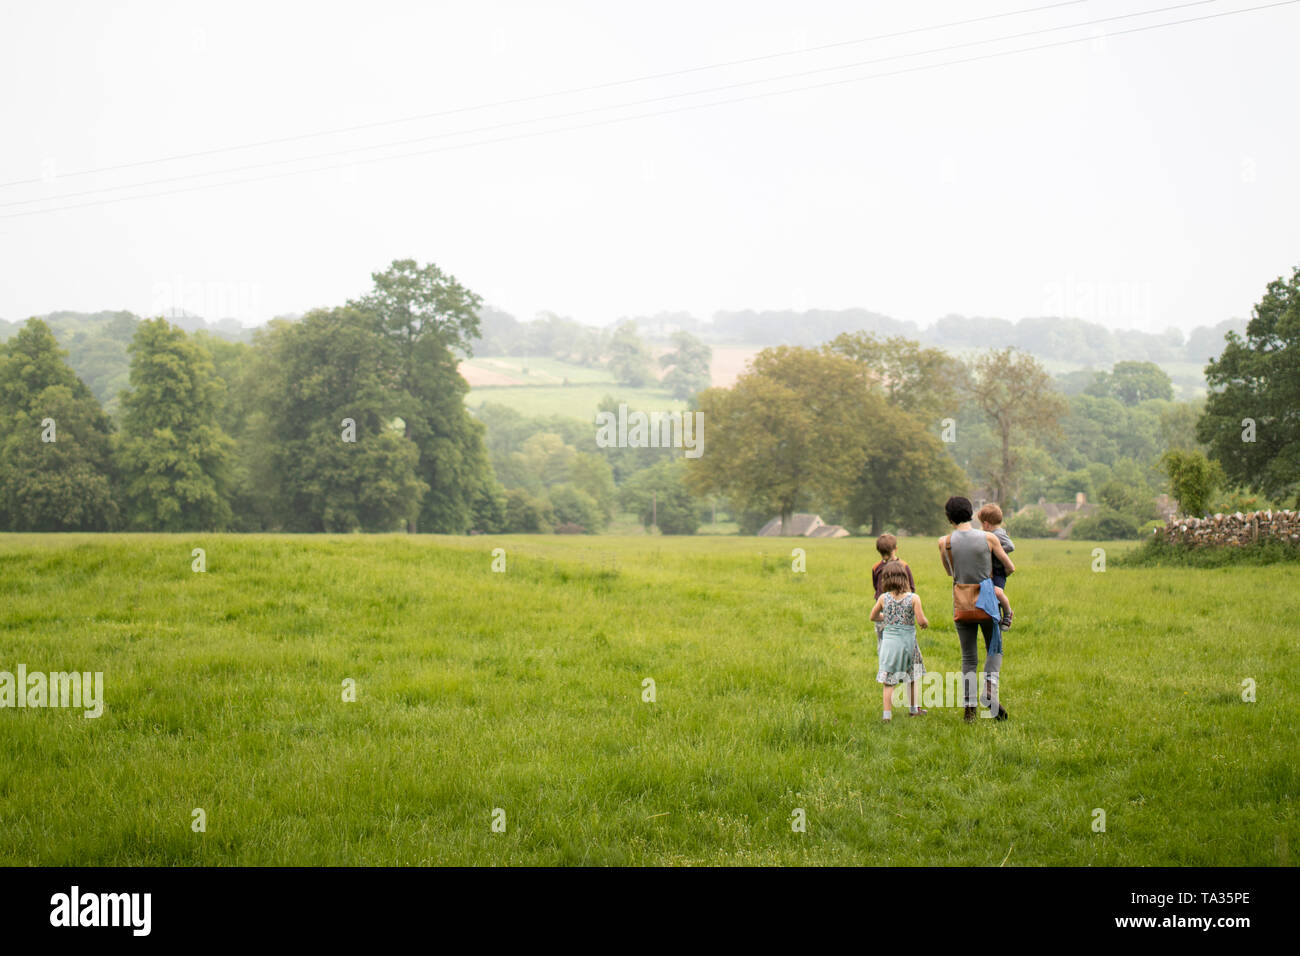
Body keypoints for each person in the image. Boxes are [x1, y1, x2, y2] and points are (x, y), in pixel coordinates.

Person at [938, 495, 1016, 721]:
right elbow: (1009, 567)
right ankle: (990, 690)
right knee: (994, 649)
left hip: (962, 602)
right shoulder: (989, 538)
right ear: (971, 513)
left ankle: (969, 710)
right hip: (988, 602)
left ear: (949, 518)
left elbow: (949, 572)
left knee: (968, 658)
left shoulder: (944, 542)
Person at [869, 561, 929, 722]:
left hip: (889, 645)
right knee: (912, 676)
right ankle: (913, 709)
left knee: (889, 681)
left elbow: (873, 616)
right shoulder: (913, 598)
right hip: (908, 645)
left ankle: (886, 715)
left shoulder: (883, 598)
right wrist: (925, 624)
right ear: (905, 578)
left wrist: (885, 618)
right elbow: (921, 620)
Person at [976, 503, 1015, 630]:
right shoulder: (989, 534)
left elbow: (1010, 546)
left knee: (997, 592)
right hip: (989, 571)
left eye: (982, 524)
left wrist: (996, 550)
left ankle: (1008, 613)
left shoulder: (998, 534)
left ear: (986, 524)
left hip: (999, 571)